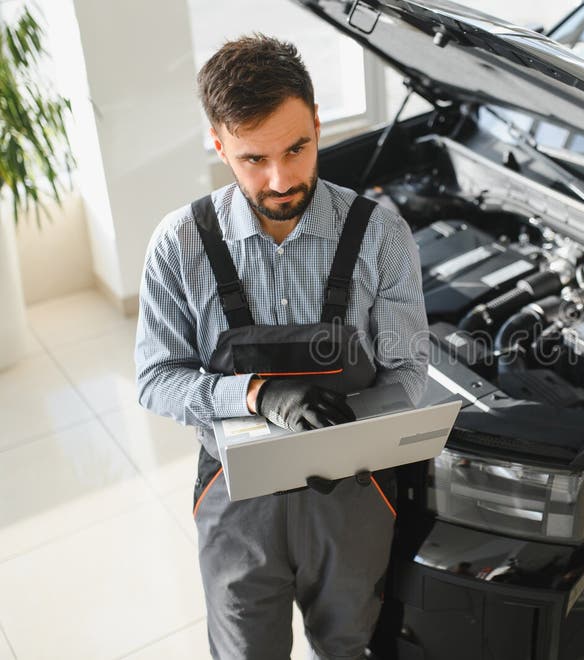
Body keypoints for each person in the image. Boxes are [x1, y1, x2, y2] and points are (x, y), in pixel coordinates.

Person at [134, 34, 429, 660]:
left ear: (317, 123)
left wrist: (358, 433)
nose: (281, 179)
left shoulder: (381, 235)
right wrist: (258, 394)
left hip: (354, 497)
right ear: (219, 146)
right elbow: (156, 377)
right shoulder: (179, 244)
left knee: (348, 647)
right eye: (253, 159)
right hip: (235, 501)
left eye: (297, 148)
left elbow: (407, 368)